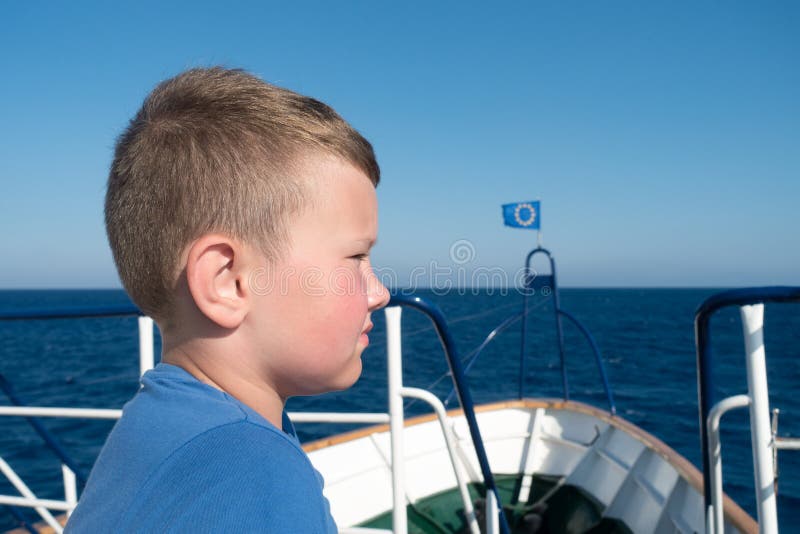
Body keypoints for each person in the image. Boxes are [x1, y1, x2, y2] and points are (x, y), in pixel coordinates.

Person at [65, 67, 390, 533]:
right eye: (356, 256)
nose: (379, 294)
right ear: (228, 282)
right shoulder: (253, 475)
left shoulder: (158, 430)